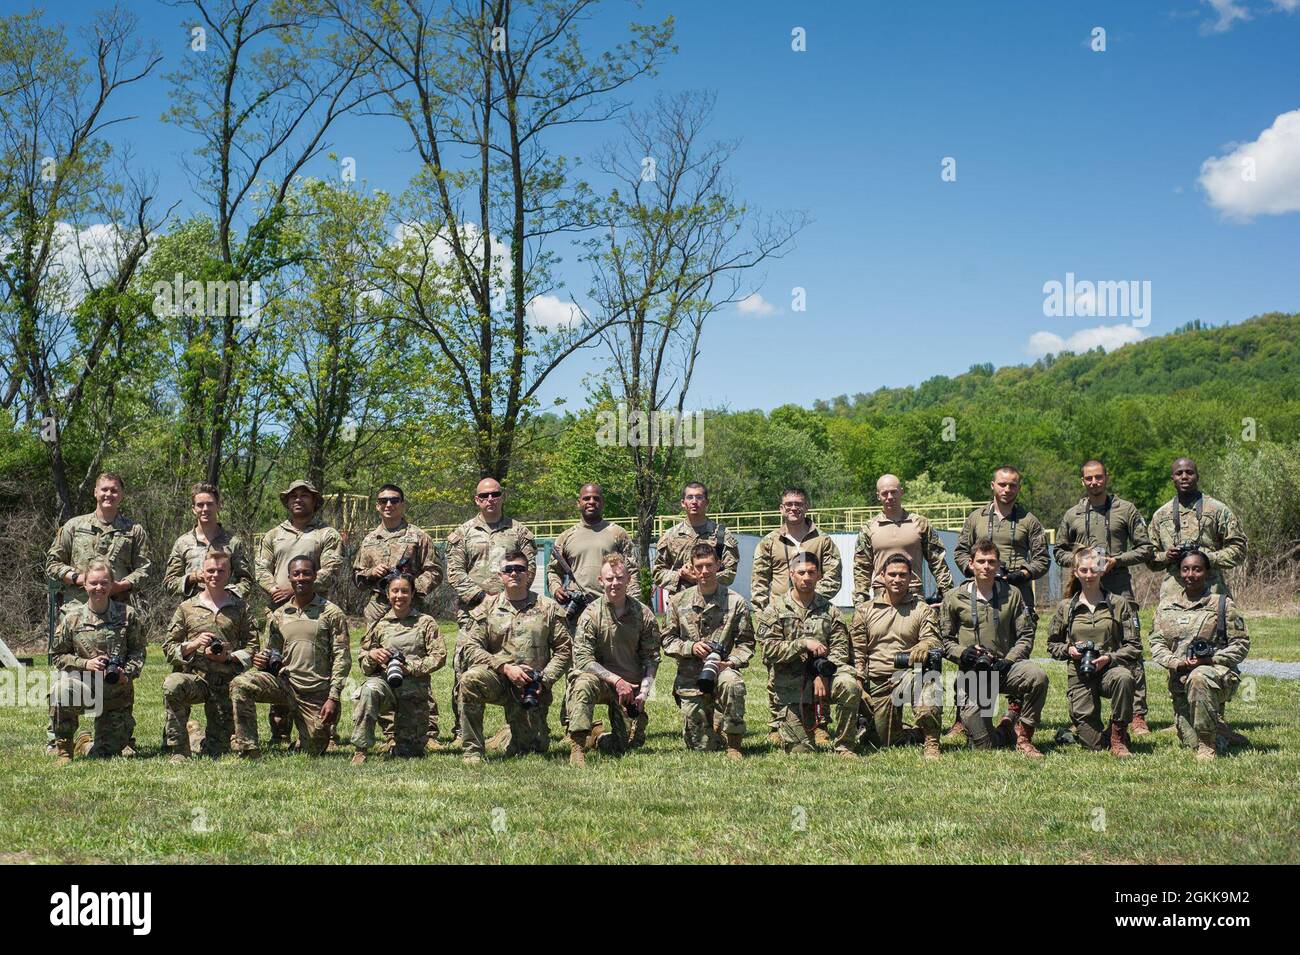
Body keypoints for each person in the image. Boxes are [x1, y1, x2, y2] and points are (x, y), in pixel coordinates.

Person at [44, 471, 150, 754]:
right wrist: (76, 578)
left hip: (117, 613)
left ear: (121, 494)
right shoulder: (74, 526)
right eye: (104, 490)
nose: (109, 495)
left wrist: (120, 585)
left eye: (114, 490)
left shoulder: (133, 530)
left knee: (117, 671)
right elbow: (52, 563)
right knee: (66, 678)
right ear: (95, 492)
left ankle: (121, 734)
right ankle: (58, 739)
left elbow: (145, 568)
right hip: (76, 613)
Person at [1054, 460, 1155, 734]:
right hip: (1083, 588)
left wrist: (1117, 560)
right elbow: (1058, 551)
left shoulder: (1126, 510)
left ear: (1107, 478)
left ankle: (1136, 712)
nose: (1094, 483)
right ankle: (1083, 705)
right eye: (1088, 478)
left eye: (1098, 477)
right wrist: (1079, 560)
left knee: (1129, 646)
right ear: (1082, 481)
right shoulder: (1072, 514)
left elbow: (1145, 548)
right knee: (1080, 643)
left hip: (1118, 588)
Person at [950, 465, 1048, 741]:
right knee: (974, 644)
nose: (1007, 490)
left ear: (1019, 487)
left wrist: (1021, 573)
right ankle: (965, 716)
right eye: (1002, 484)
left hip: (1015, 596)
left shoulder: (1029, 520)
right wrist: (974, 571)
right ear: (992, 485)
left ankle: (1014, 715)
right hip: (979, 592)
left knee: (1016, 654)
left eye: (1013, 485)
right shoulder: (976, 518)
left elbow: (1043, 559)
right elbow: (959, 551)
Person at [445, 477, 537, 748]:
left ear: (502, 496)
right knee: (464, 669)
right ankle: (463, 732)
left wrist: (506, 599)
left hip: (513, 615)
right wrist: (484, 599)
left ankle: (518, 727)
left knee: (517, 666)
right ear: (476, 499)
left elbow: (528, 570)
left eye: (494, 494)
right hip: (473, 614)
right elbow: (455, 573)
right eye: (484, 495)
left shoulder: (519, 532)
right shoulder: (462, 533)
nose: (490, 500)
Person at [352, 483, 445, 748]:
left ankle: (427, 731)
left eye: (394, 500)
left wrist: (411, 587)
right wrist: (372, 574)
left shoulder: (418, 536)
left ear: (403, 504)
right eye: (383, 501)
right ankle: (389, 731)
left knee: (415, 664)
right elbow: (357, 577)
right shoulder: (369, 540)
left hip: (410, 608)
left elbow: (435, 571)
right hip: (378, 610)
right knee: (379, 665)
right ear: (377, 506)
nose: (389, 505)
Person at [230, 555, 350, 757]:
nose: (301, 578)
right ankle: (248, 747)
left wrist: (333, 697)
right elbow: (272, 653)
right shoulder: (279, 614)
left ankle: (304, 737)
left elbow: (342, 658)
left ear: (315, 576)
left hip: (315, 691)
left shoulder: (331, 613)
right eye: (296, 574)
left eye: (306, 573)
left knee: (314, 748)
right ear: (289, 578)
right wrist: (263, 661)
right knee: (241, 684)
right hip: (285, 685)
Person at [460, 550, 570, 764]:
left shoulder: (548, 608)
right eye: (508, 569)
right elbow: (471, 646)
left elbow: (564, 650)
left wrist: (544, 680)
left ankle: (508, 735)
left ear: (528, 574)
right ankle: (473, 751)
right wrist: (505, 668)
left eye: (519, 569)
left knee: (532, 749)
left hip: (532, 686)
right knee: (469, 680)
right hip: (498, 679)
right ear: (500, 575)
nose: (514, 573)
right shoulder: (488, 607)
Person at [939, 539, 1047, 758]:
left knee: (1038, 676)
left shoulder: (1013, 594)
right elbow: (943, 640)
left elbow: (1026, 635)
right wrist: (963, 653)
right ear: (970, 564)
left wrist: (1009, 660)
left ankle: (1024, 736)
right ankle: (1005, 731)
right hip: (974, 674)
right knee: (984, 748)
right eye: (981, 561)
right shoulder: (953, 598)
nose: (986, 566)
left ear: (999, 565)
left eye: (991, 561)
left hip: (1005, 669)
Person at [255, 479, 344, 745]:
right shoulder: (273, 535)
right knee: (277, 665)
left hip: (316, 613)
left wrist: (297, 591)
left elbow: (331, 569)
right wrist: (274, 590)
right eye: (293, 495)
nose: (298, 499)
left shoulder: (327, 534)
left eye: (305, 495)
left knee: (319, 667)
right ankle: (280, 732)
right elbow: (260, 568)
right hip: (279, 612)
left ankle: (327, 728)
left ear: (314, 501)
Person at [750, 486, 842, 745]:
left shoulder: (823, 541)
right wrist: (764, 614)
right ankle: (777, 723)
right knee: (777, 669)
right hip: (780, 617)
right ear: (781, 508)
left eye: (798, 503)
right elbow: (759, 581)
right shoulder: (769, 542)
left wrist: (810, 597)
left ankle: (820, 724)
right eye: (788, 504)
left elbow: (833, 577)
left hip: (815, 613)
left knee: (818, 666)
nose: (793, 508)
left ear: (807, 507)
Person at [755, 551, 861, 757]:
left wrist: (822, 674)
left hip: (825, 679)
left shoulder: (831, 611)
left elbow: (840, 650)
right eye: (801, 572)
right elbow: (768, 650)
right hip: (790, 686)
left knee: (849, 685)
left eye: (811, 572)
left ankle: (845, 746)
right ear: (791, 574)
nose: (806, 577)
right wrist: (802, 644)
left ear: (819, 575)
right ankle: (804, 723)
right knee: (801, 751)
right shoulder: (775, 610)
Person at [1150, 550, 1250, 761]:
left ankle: (1208, 745)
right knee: (1189, 739)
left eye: (1197, 569)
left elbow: (1241, 644)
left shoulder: (1222, 604)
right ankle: (1220, 730)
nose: (1190, 574)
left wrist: (1210, 660)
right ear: (1179, 572)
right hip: (1180, 680)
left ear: (1206, 572)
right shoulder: (1166, 606)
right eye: (1185, 569)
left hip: (1215, 675)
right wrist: (1176, 663)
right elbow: (1157, 643)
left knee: (1200, 676)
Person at [161, 550, 258, 762]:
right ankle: (179, 749)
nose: (215, 575)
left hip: (226, 682)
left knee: (217, 748)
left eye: (221, 571)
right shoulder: (187, 607)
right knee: (172, 684)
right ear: (202, 574)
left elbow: (253, 648)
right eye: (210, 571)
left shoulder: (240, 607)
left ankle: (195, 735)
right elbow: (168, 647)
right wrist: (193, 645)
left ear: (230, 573)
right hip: (196, 679)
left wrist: (228, 657)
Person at [1046, 546, 1141, 757]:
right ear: (1076, 572)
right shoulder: (1065, 607)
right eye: (1084, 570)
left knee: (1124, 677)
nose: (1089, 575)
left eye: (1093, 570)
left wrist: (1109, 658)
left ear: (1102, 571)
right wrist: (1069, 650)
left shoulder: (1118, 604)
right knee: (1093, 745)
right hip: (1080, 675)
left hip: (1109, 670)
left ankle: (1118, 737)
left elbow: (1134, 645)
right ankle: (1091, 733)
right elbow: (1052, 645)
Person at [47, 559, 146, 764]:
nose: (98, 588)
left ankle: (86, 743)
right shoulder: (72, 618)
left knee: (106, 754)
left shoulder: (127, 615)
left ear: (112, 584)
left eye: (104, 583)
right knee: (61, 689)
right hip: (83, 686)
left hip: (116, 691)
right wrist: (86, 664)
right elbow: (57, 655)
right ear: (85, 585)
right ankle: (64, 749)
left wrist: (125, 673)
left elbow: (138, 652)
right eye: (93, 583)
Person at [662, 542, 755, 759]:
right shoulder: (678, 601)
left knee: (733, 682)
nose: (704, 571)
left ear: (718, 566)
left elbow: (746, 644)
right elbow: (667, 640)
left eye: (709, 565)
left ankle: (734, 744)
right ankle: (710, 724)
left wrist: (730, 662)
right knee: (701, 747)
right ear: (692, 568)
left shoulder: (736, 602)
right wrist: (690, 647)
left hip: (722, 670)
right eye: (699, 566)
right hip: (690, 676)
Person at [567, 554, 660, 767]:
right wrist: (616, 681)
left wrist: (644, 693)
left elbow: (652, 658)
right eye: (609, 579)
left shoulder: (643, 615)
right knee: (583, 682)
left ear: (628, 580)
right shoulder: (590, 614)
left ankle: (598, 737)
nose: (614, 583)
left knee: (627, 745)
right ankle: (578, 746)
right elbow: (582, 658)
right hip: (601, 681)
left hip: (631, 688)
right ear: (601, 581)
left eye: (619, 578)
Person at [850, 554, 943, 760]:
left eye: (903, 575)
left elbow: (934, 640)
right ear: (881, 576)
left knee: (928, 684)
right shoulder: (865, 611)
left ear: (912, 578)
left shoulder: (922, 610)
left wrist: (924, 645)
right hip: (877, 681)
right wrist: (859, 681)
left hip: (907, 676)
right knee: (884, 740)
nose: (897, 579)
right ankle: (909, 733)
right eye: (892, 574)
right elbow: (858, 652)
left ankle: (931, 742)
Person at [350, 573, 446, 764]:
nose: (399, 596)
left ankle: (403, 738)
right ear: (388, 593)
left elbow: (439, 657)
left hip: (414, 692)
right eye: (395, 591)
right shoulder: (379, 625)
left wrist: (409, 668)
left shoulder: (425, 622)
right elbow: (364, 665)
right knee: (369, 689)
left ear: (412, 594)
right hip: (385, 685)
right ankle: (361, 749)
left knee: (409, 752)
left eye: (404, 591)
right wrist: (372, 655)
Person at [1148, 457, 1247, 601]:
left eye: (1189, 472)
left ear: (1197, 477)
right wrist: (1166, 556)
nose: (1184, 477)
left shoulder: (1217, 510)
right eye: (1179, 473)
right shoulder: (1160, 516)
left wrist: (1208, 558)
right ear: (1172, 479)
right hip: (1173, 596)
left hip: (1212, 591)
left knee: (1220, 623)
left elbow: (1239, 550)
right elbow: (1149, 558)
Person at [852, 474, 952, 607]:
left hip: (914, 597)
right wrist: (861, 604)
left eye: (894, 492)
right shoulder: (869, 528)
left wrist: (948, 595)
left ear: (901, 492)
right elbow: (861, 568)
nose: (889, 497)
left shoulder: (920, 524)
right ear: (878, 496)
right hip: (881, 597)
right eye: (884, 493)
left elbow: (938, 562)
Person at [163, 483, 253, 599]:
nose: (205, 509)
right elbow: (169, 583)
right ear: (194, 509)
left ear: (218, 506)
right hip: (193, 612)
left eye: (210, 504)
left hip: (226, 611)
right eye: (200, 505)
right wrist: (193, 577)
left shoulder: (233, 543)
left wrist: (227, 594)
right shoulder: (182, 543)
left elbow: (246, 580)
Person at [653, 481, 739, 596]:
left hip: (715, 604)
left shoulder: (721, 535)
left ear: (706, 502)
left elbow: (730, 573)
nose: (694, 502)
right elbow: (658, 572)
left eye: (699, 497)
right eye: (690, 497)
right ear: (683, 503)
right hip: (680, 604)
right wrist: (680, 574)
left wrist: (702, 578)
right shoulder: (670, 535)